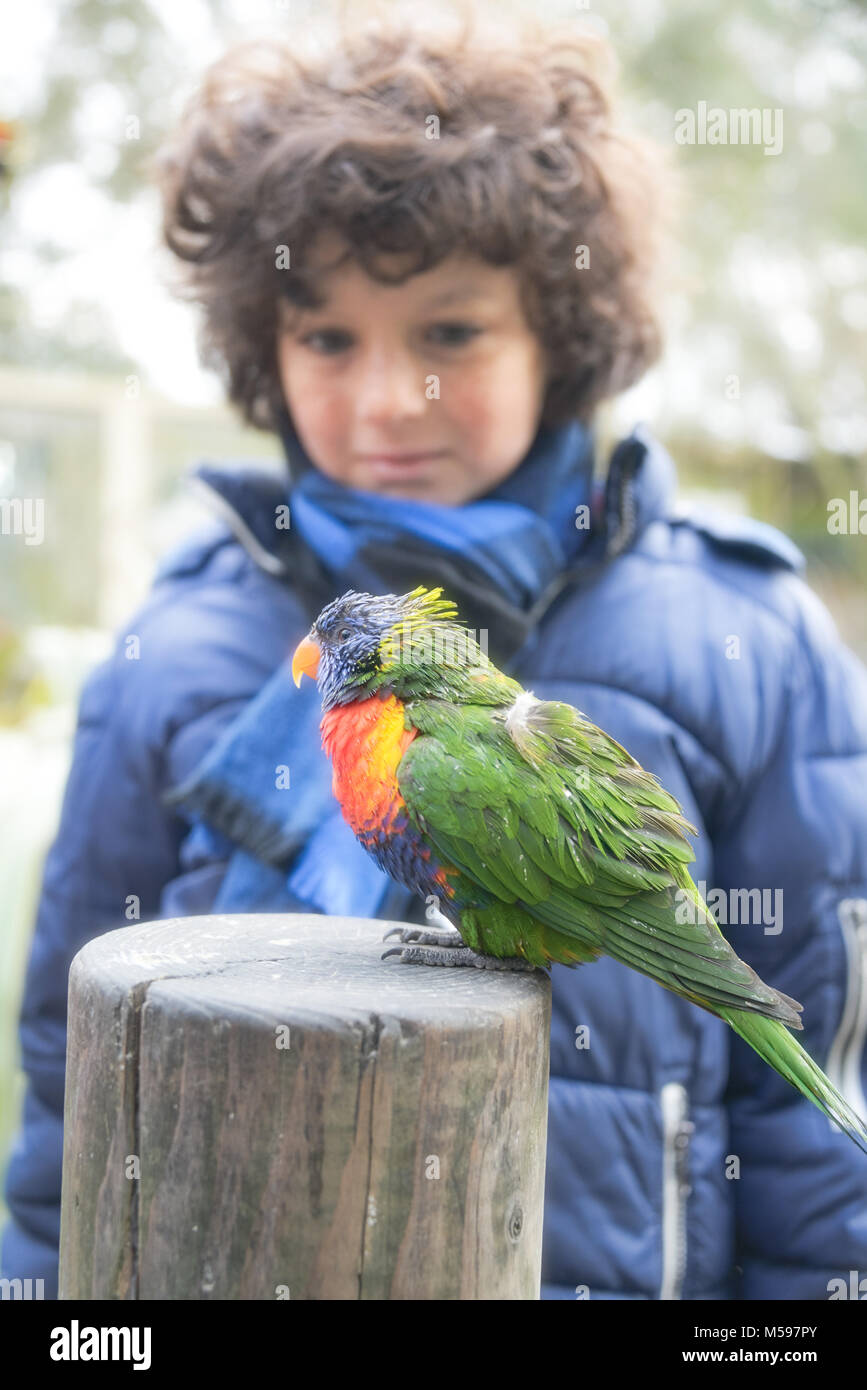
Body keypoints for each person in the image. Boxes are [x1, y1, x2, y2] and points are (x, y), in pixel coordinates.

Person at [3, 8, 867, 1301]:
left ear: (561, 333)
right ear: (260, 343)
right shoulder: (172, 650)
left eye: (450, 332)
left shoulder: (742, 633)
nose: (384, 401)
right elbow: (69, 1086)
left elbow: (817, 1129)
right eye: (326, 335)